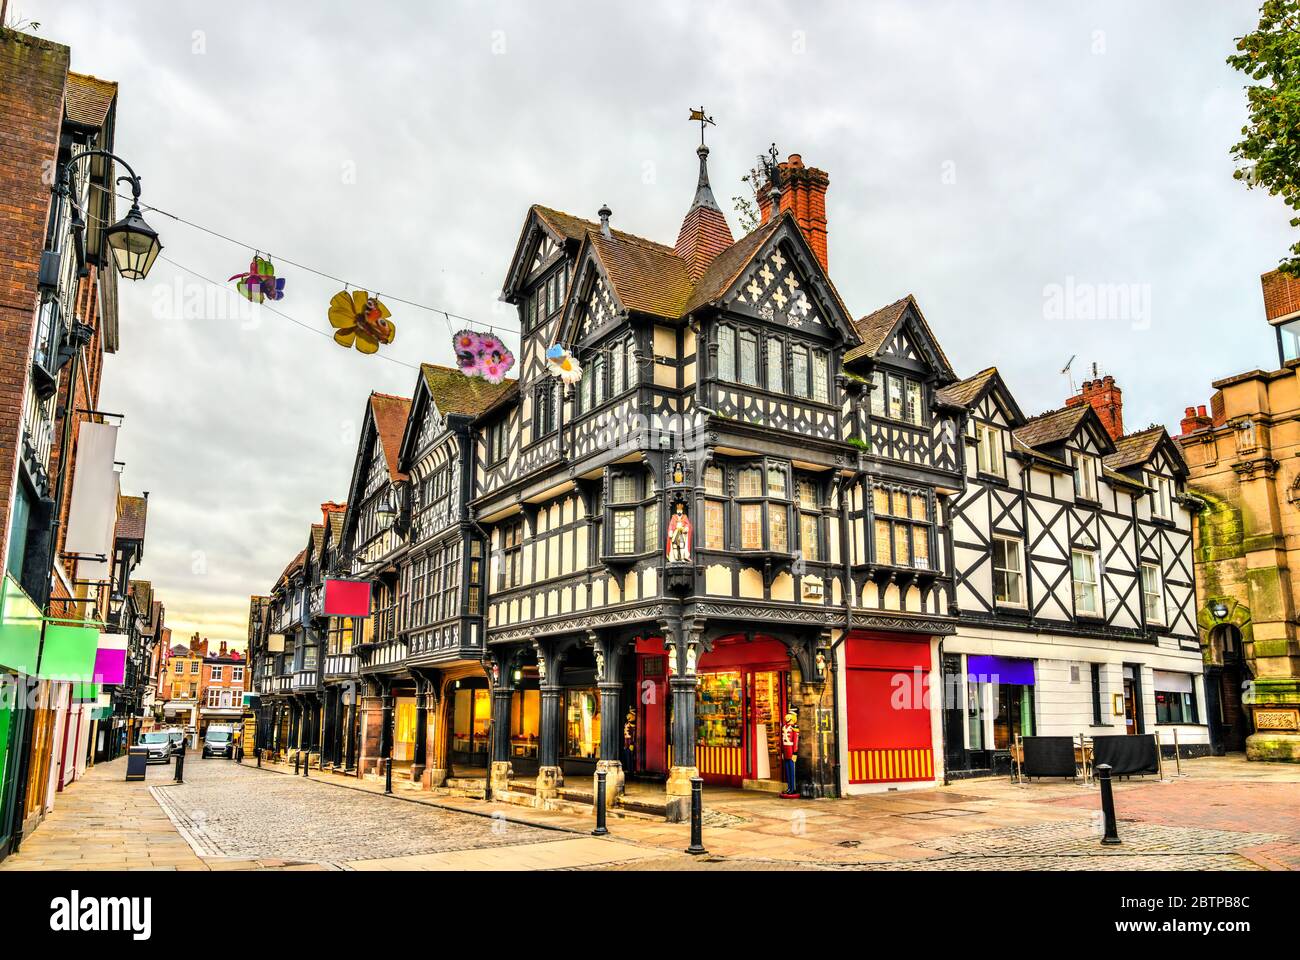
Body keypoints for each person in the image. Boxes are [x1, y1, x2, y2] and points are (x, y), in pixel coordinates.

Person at [780, 712, 799, 799]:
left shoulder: (795, 728)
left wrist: (795, 752)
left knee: (792, 770)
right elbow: (782, 741)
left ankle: (793, 788)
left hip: (791, 750)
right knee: (787, 770)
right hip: (786, 750)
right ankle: (789, 787)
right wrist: (783, 751)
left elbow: (796, 740)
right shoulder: (784, 727)